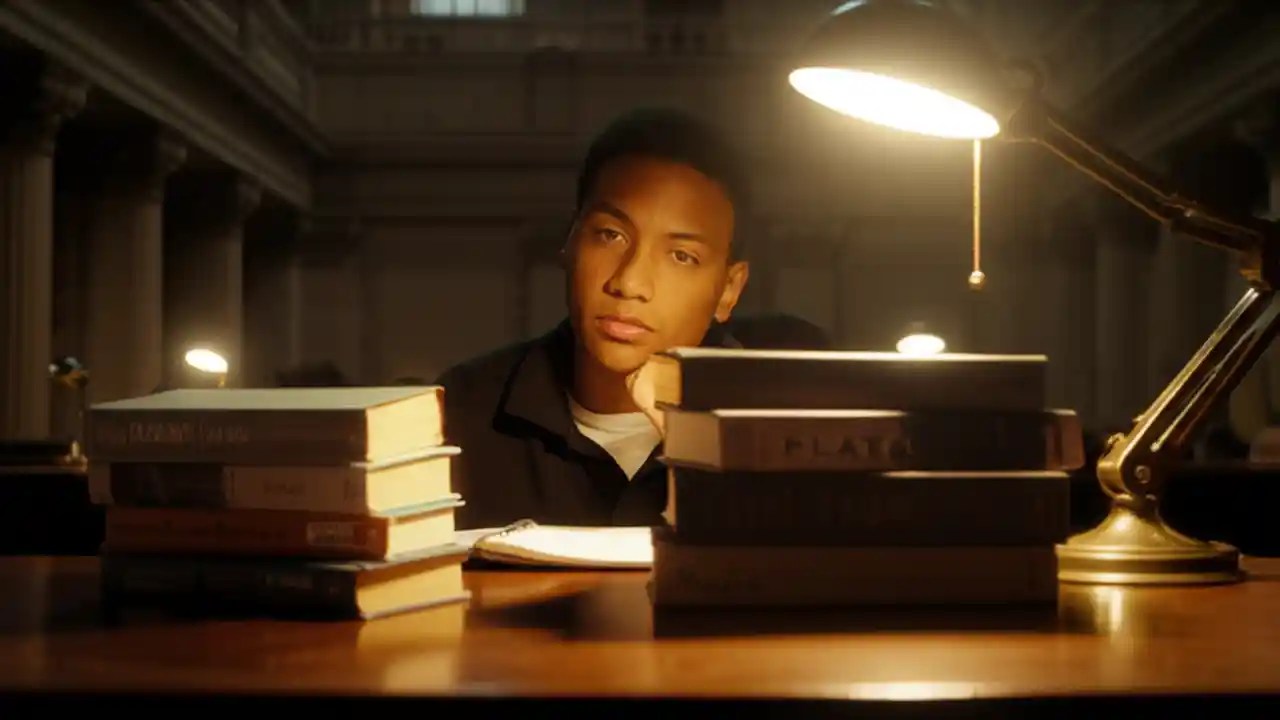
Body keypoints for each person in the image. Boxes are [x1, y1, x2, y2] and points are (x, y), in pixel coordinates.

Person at [435, 107, 751, 529]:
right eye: (610, 235)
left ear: (729, 289)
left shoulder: (781, 429)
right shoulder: (460, 415)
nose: (630, 282)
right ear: (570, 240)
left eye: (681, 256)